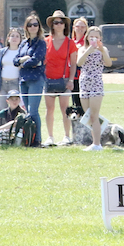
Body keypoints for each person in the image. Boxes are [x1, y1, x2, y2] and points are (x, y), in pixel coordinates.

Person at [42, 11, 79, 145]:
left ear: (65, 25)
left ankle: (66, 136)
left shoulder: (70, 43)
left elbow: (74, 63)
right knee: (49, 109)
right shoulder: (46, 41)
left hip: (64, 80)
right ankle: (50, 136)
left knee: (65, 109)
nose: (58, 25)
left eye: (61, 22)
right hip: (48, 79)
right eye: (55, 22)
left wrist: (70, 80)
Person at [76, 26, 112, 151]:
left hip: (96, 82)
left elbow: (108, 63)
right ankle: (95, 141)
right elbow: (79, 63)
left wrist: (101, 50)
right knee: (88, 115)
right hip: (84, 82)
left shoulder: (103, 49)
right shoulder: (82, 49)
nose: (94, 39)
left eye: (96, 37)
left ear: (100, 38)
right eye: (91, 37)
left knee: (94, 115)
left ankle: (97, 144)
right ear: (87, 37)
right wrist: (89, 50)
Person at [15, 14, 47, 120]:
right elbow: (15, 60)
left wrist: (22, 63)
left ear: (39, 27)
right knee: (27, 112)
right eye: (30, 25)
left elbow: (35, 60)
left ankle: (37, 137)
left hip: (36, 79)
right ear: (26, 27)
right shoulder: (23, 43)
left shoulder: (41, 43)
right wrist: (23, 59)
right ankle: (30, 136)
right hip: (23, 80)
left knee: (33, 111)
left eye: (35, 24)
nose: (33, 27)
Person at [69, 16, 89, 118]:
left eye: (83, 26)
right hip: (74, 77)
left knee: (84, 104)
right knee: (75, 103)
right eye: (78, 26)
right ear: (74, 28)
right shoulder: (70, 42)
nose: (80, 28)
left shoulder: (87, 42)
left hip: (84, 76)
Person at [0, 27, 23, 97]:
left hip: (15, 83)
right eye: (12, 36)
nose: (14, 38)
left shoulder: (22, 52)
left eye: (17, 36)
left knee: (14, 105)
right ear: (8, 38)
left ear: (20, 40)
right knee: (2, 107)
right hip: (2, 83)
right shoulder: (2, 51)